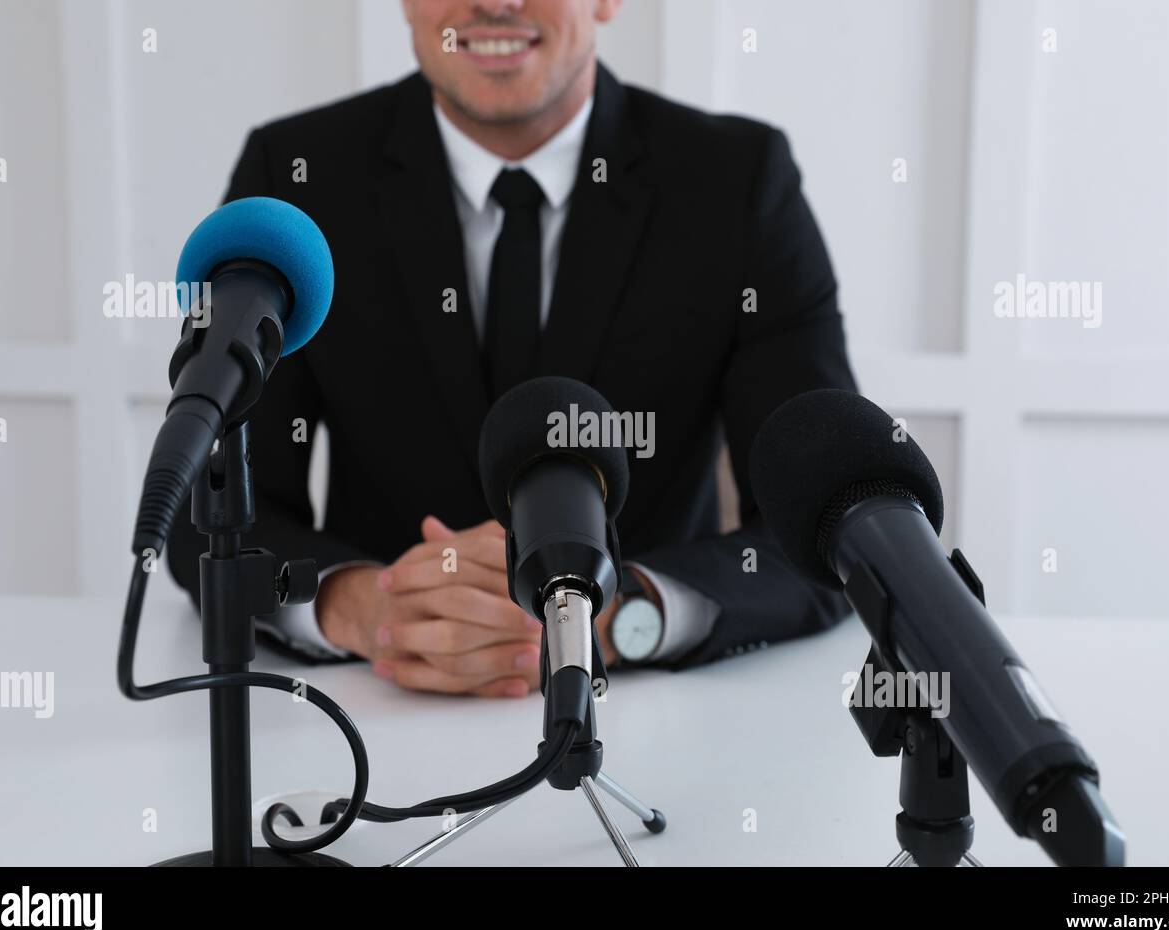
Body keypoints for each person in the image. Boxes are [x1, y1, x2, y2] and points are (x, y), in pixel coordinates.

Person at [167, 0, 856, 698]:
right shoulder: (294, 174)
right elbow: (210, 512)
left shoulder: (738, 180)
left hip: (652, 708)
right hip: (373, 706)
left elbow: (828, 519)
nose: (494, 2)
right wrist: (362, 607)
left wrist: (620, 616)